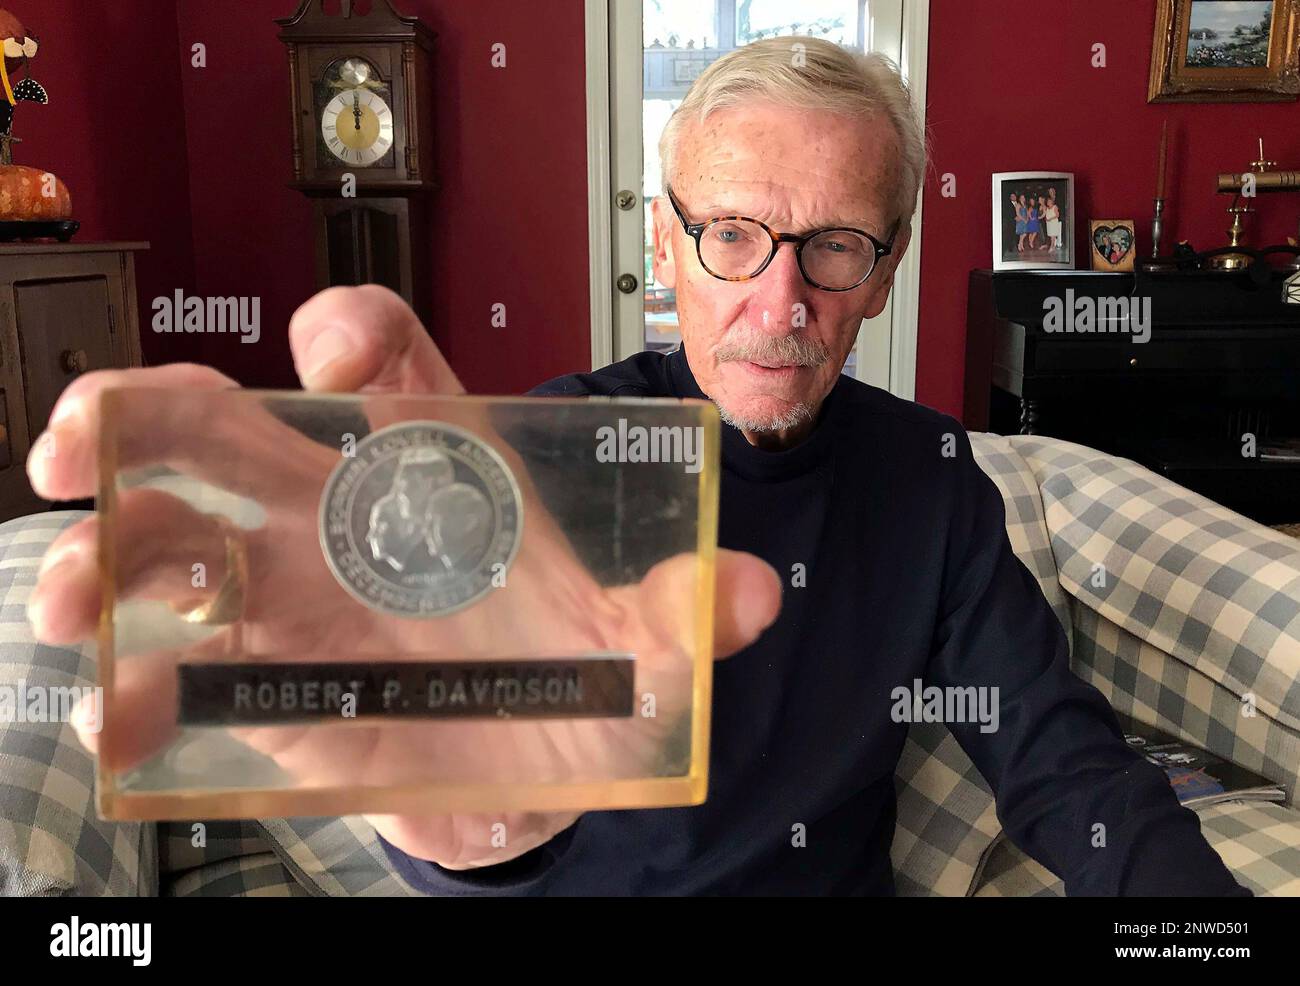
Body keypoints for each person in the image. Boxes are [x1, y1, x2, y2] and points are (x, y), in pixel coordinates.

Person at [25, 37, 1248, 896]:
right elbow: (473, 810)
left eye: (832, 247)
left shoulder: (931, 483)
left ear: (886, 266)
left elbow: (1065, 766)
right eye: (730, 236)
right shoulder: (540, 461)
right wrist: (479, 833)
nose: (780, 302)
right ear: (666, 241)